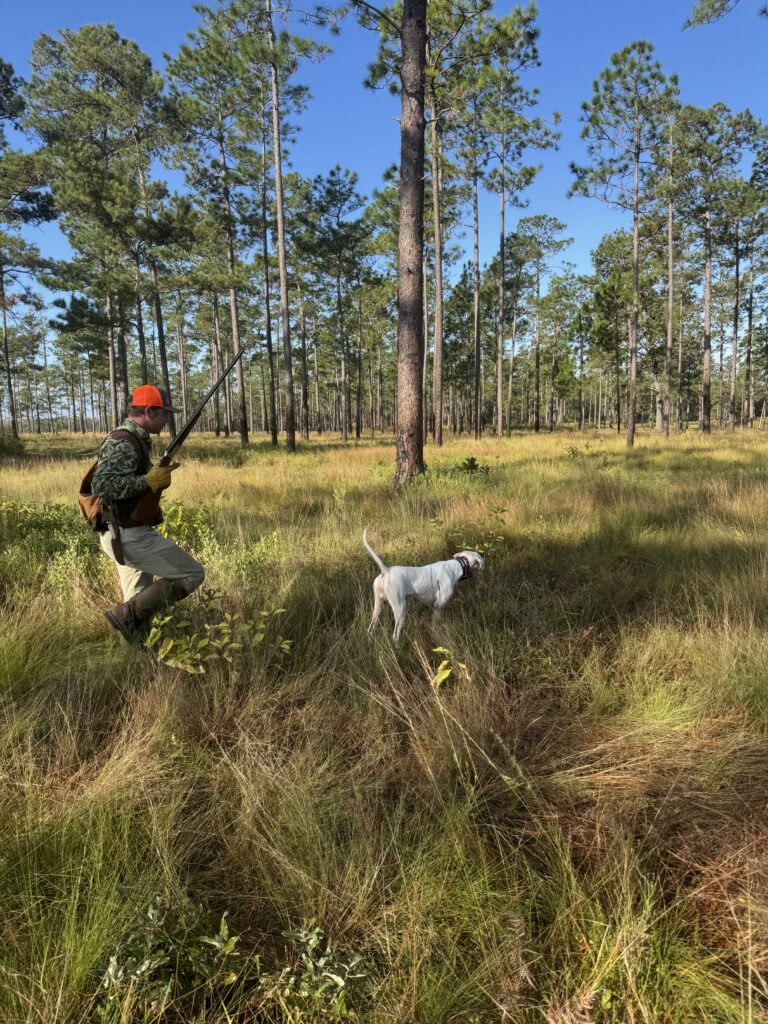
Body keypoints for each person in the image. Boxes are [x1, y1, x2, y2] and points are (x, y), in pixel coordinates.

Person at [92, 384, 205, 645]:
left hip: (123, 532)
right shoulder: (123, 441)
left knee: (136, 606)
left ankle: (133, 659)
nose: (167, 420)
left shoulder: (136, 439)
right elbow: (103, 486)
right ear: (150, 411)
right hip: (129, 536)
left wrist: (152, 476)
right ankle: (125, 615)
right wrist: (147, 481)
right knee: (192, 574)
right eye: (164, 413)